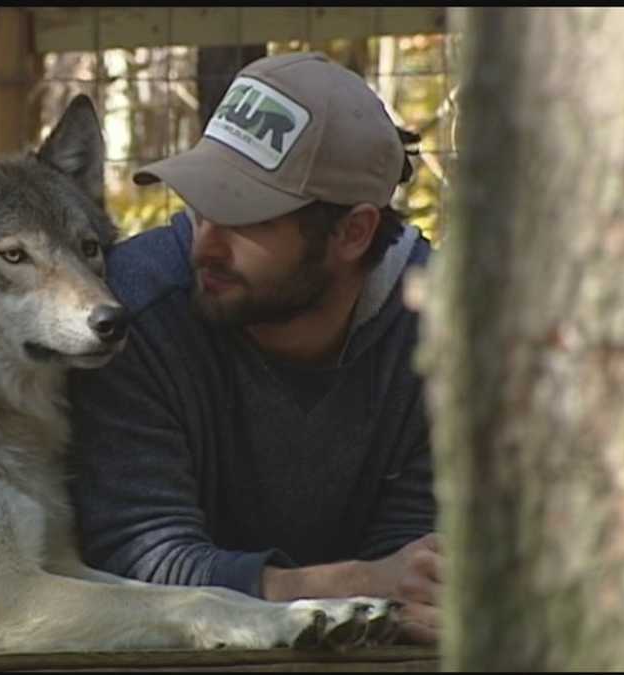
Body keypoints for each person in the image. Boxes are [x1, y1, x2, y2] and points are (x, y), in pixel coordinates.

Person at [66, 51, 442, 644]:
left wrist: (404, 589)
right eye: (199, 201)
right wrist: (361, 583)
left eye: (246, 217)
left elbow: (414, 571)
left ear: (353, 232)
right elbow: (137, 562)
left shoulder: (439, 334)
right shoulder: (128, 312)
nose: (205, 244)